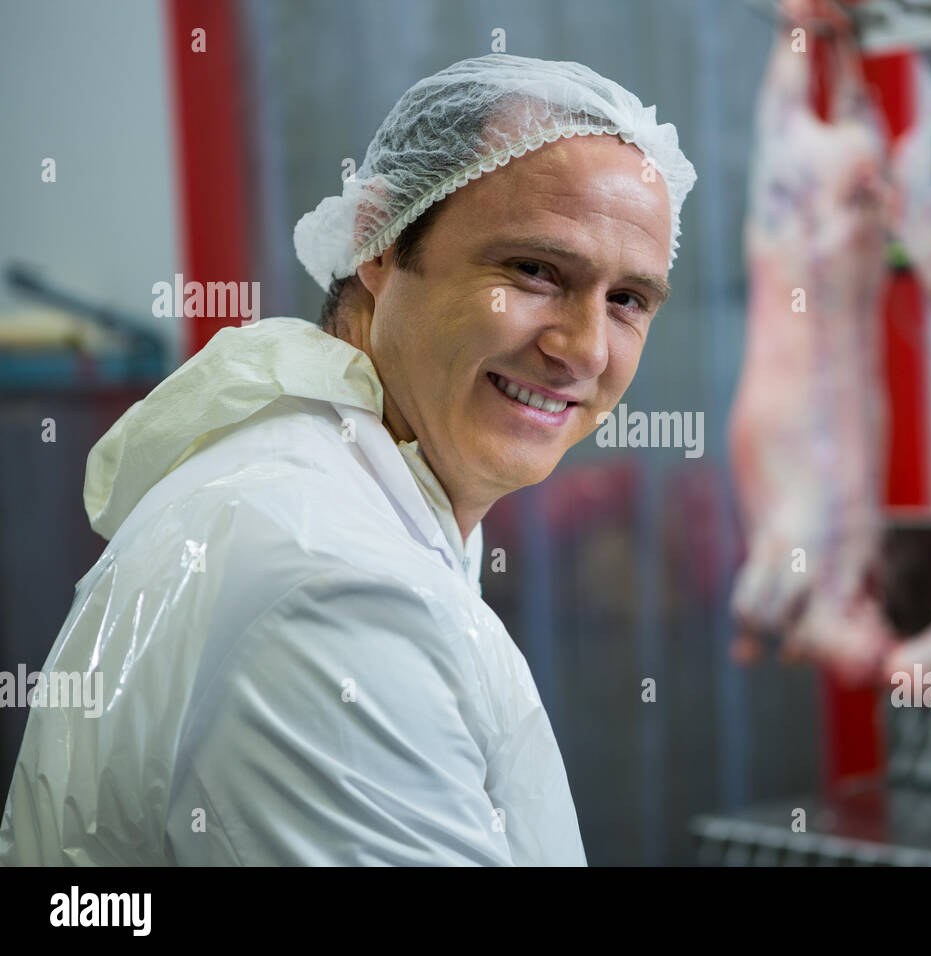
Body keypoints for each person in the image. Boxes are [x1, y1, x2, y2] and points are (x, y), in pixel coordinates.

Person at [0, 53, 696, 865]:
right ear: (378, 244)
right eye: (533, 271)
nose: (581, 349)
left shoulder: (345, 481)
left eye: (627, 301)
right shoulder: (333, 583)